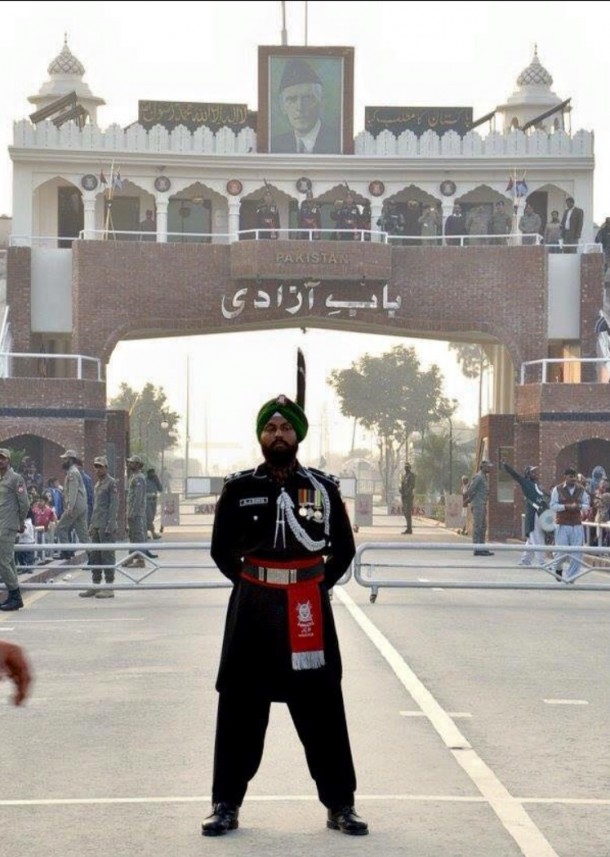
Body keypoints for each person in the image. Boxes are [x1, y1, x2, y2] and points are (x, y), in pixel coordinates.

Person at [202, 394, 368, 838]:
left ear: (298, 435)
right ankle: (225, 804)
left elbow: (343, 549)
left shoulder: (323, 489)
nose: (279, 435)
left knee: (322, 709)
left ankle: (340, 805)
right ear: (261, 436)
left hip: (306, 609)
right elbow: (220, 550)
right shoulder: (239, 489)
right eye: (271, 428)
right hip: (253, 612)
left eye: (286, 428)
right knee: (239, 707)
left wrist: (312, 585)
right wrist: (254, 584)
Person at [270, 58, 339, 154]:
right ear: (282, 107)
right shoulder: (274, 145)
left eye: (307, 98)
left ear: (321, 103)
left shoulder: (338, 143)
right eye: (292, 99)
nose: (300, 107)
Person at [79, 456, 119, 599]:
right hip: (96, 525)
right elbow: (96, 507)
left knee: (107, 556)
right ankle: (95, 585)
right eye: (96, 466)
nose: (97, 469)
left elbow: (113, 506)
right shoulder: (97, 484)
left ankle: (109, 587)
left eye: (100, 466)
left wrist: (111, 524)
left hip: (106, 526)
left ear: (106, 468)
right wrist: (91, 524)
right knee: (95, 556)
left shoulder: (111, 483)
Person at [500, 462, 549, 567]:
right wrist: (506, 465)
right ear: (528, 474)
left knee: (531, 540)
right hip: (533, 514)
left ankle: (525, 561)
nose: (536, 474)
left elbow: (544, 498)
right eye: (533, 472)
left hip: (540, 513)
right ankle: (542, 562)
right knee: (537, 538)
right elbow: (515, 475)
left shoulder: (538, 485)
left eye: (536, 472)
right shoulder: (526, 483)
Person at [0, 448, 29, 612]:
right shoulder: (1, 479)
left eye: (3, 458)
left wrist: (20, 521)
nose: (0, 461)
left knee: (2, 561)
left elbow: (24, 503)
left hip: (8, 525)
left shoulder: (15, 478)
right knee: (9, 561)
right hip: (1, 525)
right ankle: (13, 597)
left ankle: (15, 595)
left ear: (8, 460)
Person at [549, 466, 590, 582]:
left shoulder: (581, 490)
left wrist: (579, 506)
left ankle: (571, 577)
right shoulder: (557, 489)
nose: (573, 479)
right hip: (562, 524)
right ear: (565, 477)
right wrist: (566, 507)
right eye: (571, 477)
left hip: (576, 524)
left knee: (577, 553)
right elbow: (552, 506)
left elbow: (587, 505)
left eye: (574, 477)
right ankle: (558, 568)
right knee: (561, 552)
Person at [55, 449, 88, 557]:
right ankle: (93, 556)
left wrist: (70, 506)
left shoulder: (72, 472)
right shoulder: (74, 471)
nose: (63, 461)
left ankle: (66, 551)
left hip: (75, 506)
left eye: (65, 459)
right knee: (82, 534)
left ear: (71, 460)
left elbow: (73, 490)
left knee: (61, 527)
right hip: (81, 506)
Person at [125, 454, 157, 567]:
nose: (129, 464)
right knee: (132, 536)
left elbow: (138, 498)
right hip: (132, 512)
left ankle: (140, 560)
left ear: (137, 465)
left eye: (132, 463)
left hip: (137, 513)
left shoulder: (139, 478)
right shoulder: (133, 477)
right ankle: (131, 557)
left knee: (138, 536)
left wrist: (133, 513)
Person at [468, 459, 494, 556]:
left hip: (482, 504)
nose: (489, 468)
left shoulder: (484, 477)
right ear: (482, 467)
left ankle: (482, 547)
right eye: (487, 467)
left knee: (483, 527)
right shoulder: (478, 477)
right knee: (478, 527)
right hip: (478, 504)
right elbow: (470, 490)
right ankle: (476, 548)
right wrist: (473, 500)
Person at [0, 640, 32, 705]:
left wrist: (21, 693)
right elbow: (24, 675)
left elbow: (24, 674)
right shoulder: (10, 649)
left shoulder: (10, 649)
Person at [145, 467, 163, 539]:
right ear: (148, 473)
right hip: (147, 501)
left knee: (152, 517)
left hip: (154, 501)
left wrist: (157, 481)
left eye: (154, 473)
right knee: (149, 517)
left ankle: (145, 533)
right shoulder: (145, 480)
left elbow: (160, 489)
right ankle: (153, 533)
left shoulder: (155, 481)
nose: (153, 474)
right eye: (151, 473)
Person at [399, 462, 416, 534]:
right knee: (405, 512)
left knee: (408, 512)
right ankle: (408, 527)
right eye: (405, 467)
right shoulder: (404, 476)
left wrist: (406, 493)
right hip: (404, 496)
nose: (406, 468)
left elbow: (412, 486)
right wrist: (401, 490)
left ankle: (409, 528)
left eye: (407, 467)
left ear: (409, 468)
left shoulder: (412, 476)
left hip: (408, 496)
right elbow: (402, 484)